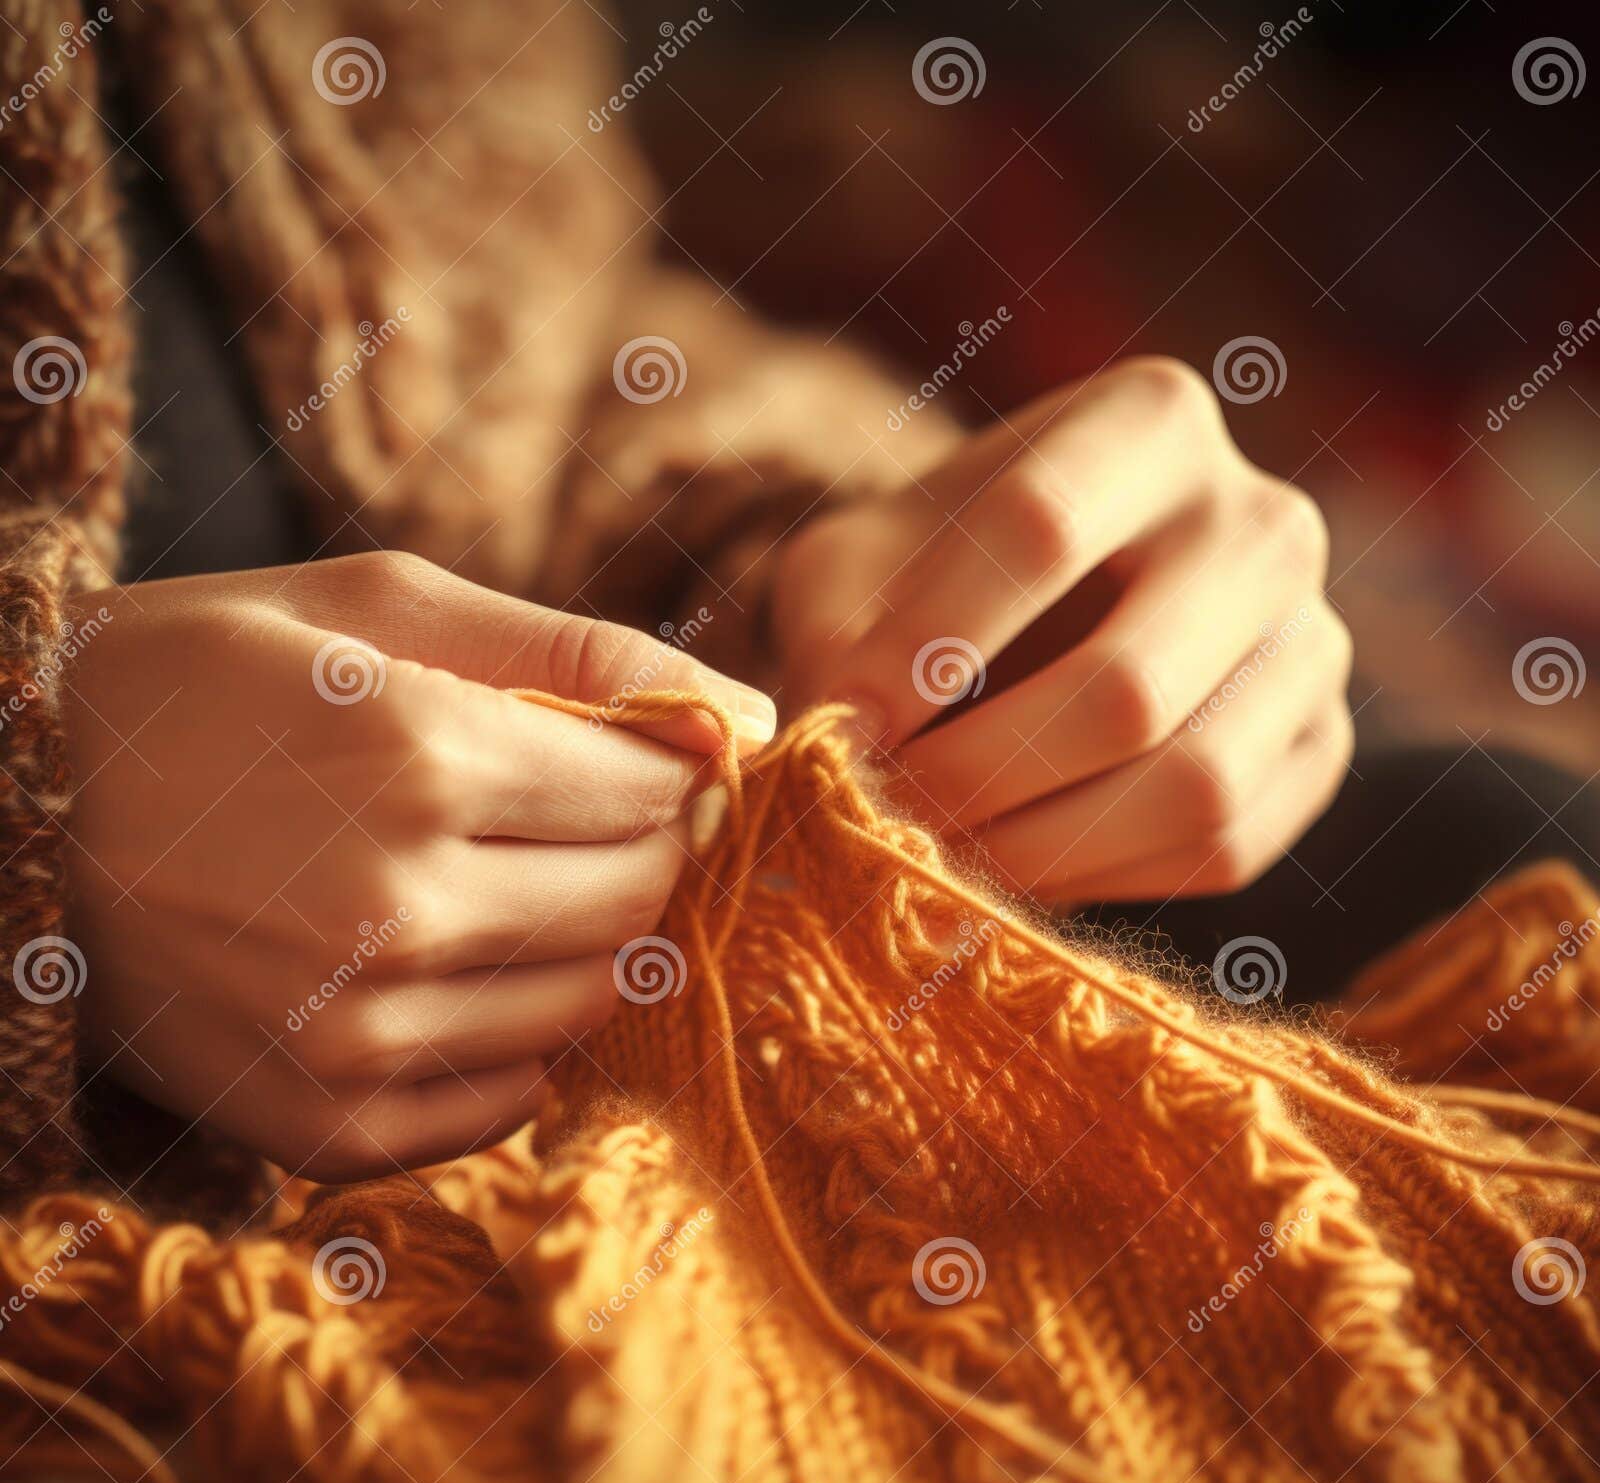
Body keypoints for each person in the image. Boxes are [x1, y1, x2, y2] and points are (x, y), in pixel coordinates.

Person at [1, 3, 1591, 1204]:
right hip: (151, 1200)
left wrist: (805, 547)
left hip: (666, 907)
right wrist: (42, 818)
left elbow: (547, 335)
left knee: (1513, 855)